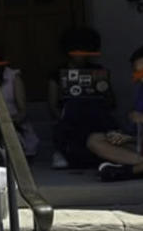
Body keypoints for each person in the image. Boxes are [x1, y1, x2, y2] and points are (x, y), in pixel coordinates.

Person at [88, 44, 143, 181]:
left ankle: (132, 171)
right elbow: (142, 134)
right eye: (140, 74)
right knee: (95, 140)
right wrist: (126, 137)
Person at [47, 26, 118, 169]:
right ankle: (64, 152)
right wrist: (61, 116)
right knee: (74, 109)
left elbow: (112, 102)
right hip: (71, 117)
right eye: (79, 52)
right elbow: (52, 105)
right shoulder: (57, 74)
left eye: (86, 52)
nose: (83, 56)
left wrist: (104, 89)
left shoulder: (98, 71)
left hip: (96, 115)